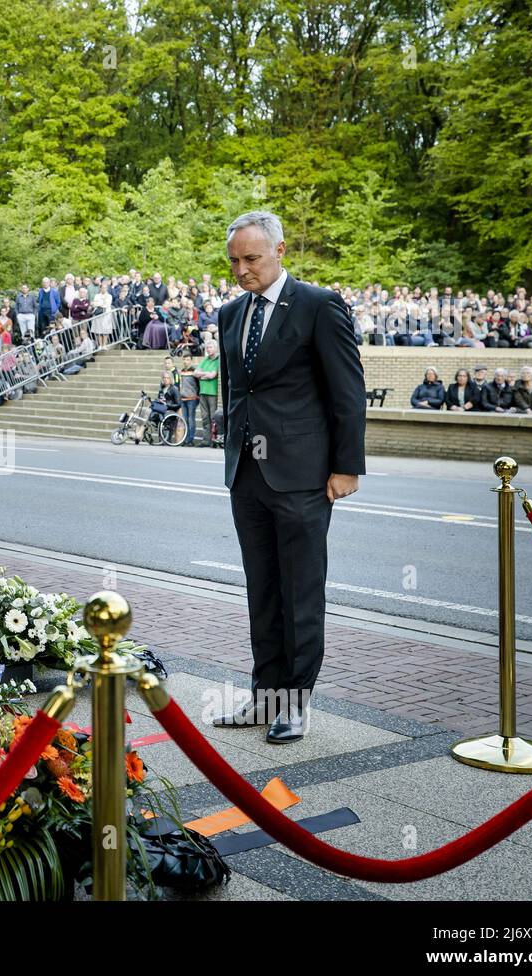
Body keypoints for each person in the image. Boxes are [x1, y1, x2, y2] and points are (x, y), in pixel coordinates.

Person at [211, 211, 366, 744]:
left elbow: (347, 392)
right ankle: (265, 697)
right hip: (247, 474)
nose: (241, 269)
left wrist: (347, 466)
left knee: (300, 590)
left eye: (251, 258)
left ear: (279, 252)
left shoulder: (319, 306)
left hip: (302, 477)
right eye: (234, 260)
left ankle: (294, 704)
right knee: (264, 590)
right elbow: (236, 391)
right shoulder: (230, 314)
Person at [195, 340, 220, 446]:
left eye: (210, 347)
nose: (208, 349)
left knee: (213, 418)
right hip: (202, 392)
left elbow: (212, 375)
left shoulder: (217, 360)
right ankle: (206, 440)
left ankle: (215, 440)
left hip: (212, 393)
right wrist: (205, 374)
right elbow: (195, 373)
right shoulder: (205, 360)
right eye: (207, 347)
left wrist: (203, 375)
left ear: (215, 348)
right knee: (205, 418)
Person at [177, 356, 200, 445]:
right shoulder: (182, 371)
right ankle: (186, 438)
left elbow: (199, 384)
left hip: (192, 398)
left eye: (188, 359)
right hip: (183, 398)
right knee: (185, 419)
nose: (186, 361)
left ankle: (190, 439)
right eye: (184, 359)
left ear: (191, 360)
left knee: (191, 419)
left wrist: (197, 396)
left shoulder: (194, 371)